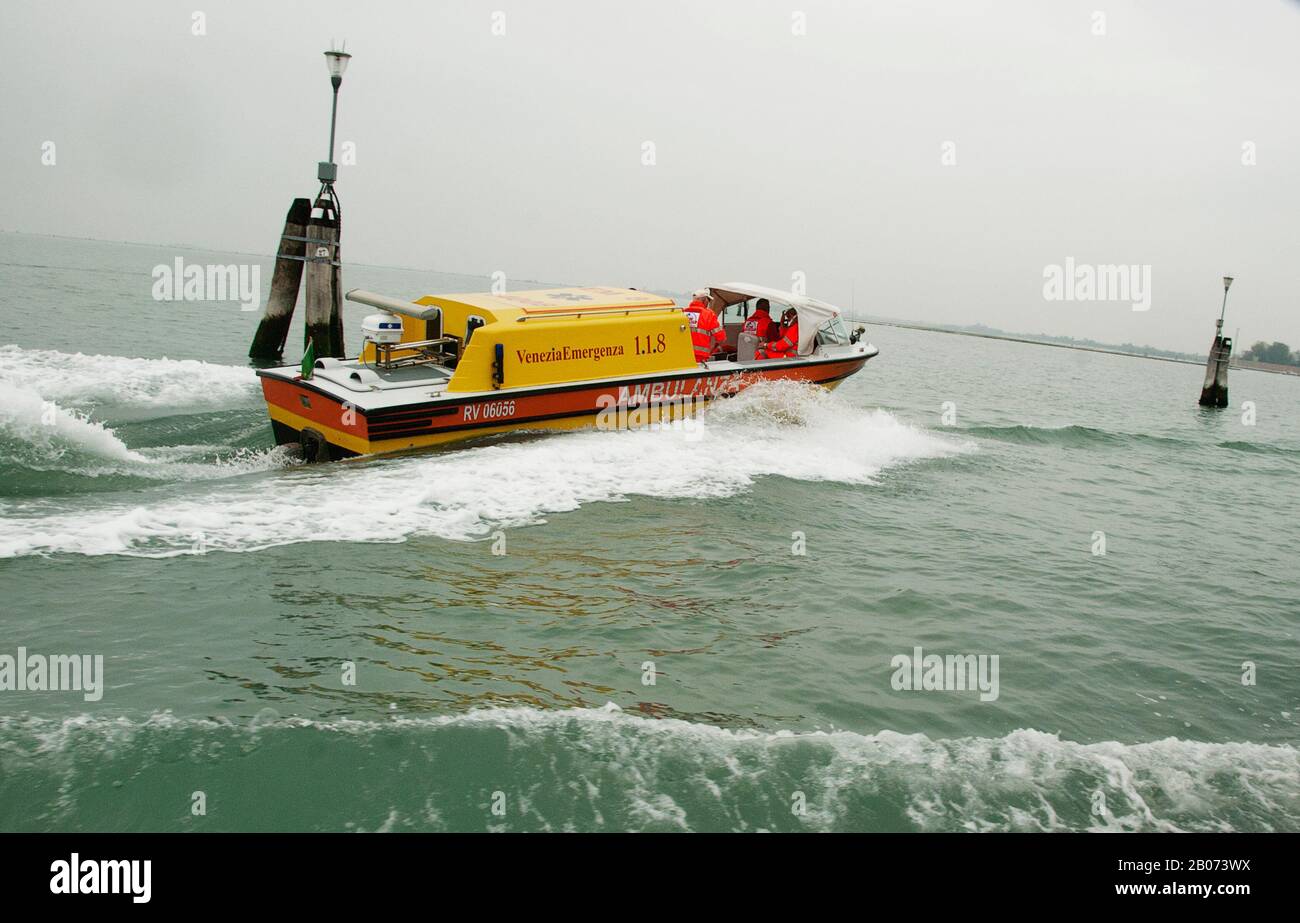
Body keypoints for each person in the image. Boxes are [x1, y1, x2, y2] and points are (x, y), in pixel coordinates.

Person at [684, 289, 725, 363]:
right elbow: (721, 337)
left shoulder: (683, 313)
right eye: (708, 300)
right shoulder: (708, 314)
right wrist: (713, 348)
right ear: (705, 300)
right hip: (700, 356)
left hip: (684, 354)